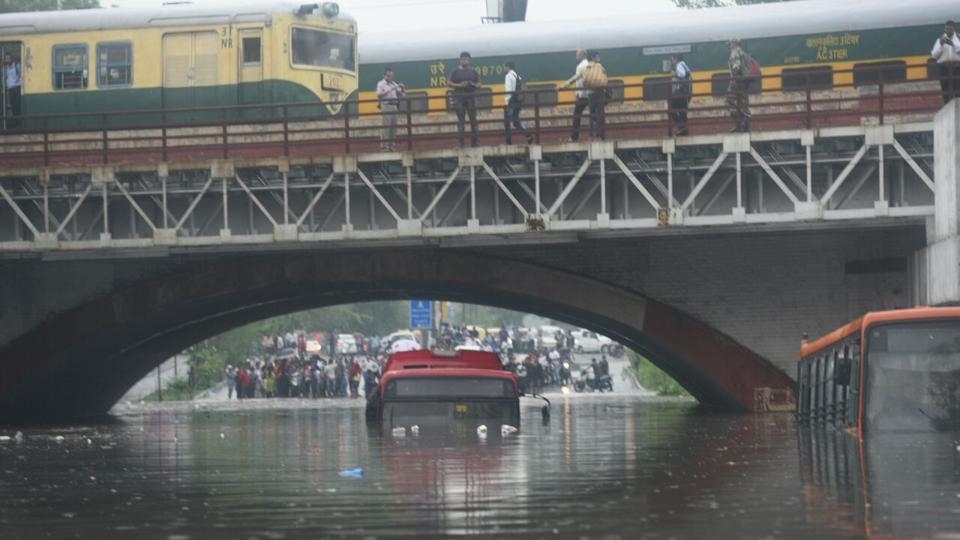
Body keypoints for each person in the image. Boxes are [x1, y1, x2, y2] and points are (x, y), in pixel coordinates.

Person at [447, 51, 482, 148]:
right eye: (463, 59)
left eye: (466, 59)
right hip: (459, 98)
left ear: (469, 60)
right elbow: (448, 83)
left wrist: (473, 84)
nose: (465, 61)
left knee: (473, 121)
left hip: (471, 98)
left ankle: (476, 142)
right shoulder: (455, 71)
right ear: (460, 60)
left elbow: (479, 84)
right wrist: (459, 85)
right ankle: (461, 143)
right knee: (461, 121)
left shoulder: (473, 71)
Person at [562, 49, 590, 142]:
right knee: (595, 115)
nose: (576, 56)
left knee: (576, 115)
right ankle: (596, 135)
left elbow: (576, 78)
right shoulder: (589, 64)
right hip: (591, 93)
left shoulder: (581, 66)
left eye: (577, 54)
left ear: (582, 55)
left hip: (583, 95)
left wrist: (564, 85)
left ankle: (574, 137)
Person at [503, 61, 534, 145]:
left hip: (511, 102)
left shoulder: (508, 76)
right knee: (516, 121)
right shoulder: (517, 76)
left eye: (504, 67)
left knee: (507, 122)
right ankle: (528, 135)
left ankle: (508, 142)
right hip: (518, 101)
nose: (504, 69)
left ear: (507, 67)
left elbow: (509, 91)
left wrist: (506, 103)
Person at [726, 38, 752, 132]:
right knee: (744, 104)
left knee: (729, 101)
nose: (730, 46)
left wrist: (735, 78)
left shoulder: (735, 52)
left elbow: (736, 66)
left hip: (736, 81)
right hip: (744, 81)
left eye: (731, 43)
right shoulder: (743, 53)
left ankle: (739, 123)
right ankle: (746, 126)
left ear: (735, 43)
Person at [376, 67, 405, 151]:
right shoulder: (381, 84)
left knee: (393, 126)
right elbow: (378, 95)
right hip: (386, 105)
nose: (390, 77)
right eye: (388, 76)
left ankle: (392, 146)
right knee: (386, 126)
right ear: (384, 75)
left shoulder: (394, 83)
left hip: (394, 105)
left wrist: (402, 88)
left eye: (391, 76)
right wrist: (390, 90)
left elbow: (402, 94)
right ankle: (384, 146)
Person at [932, 20, 960, 105]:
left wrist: (953, 45)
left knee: (958, 90)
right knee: (945, 90)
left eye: (950, 29)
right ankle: (946, 106)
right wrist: (941, 45)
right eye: (946, 29)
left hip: (957, 67)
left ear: (953, 29)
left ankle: (958, 107)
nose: (948, 31)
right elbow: (934, 56)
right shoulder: (939, 40)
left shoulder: (959, 38)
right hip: (944, 67)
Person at [670, 54, 692, 135]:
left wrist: (675, 74)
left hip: (681, 91)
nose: (672, 61)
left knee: (671, 108)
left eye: (672, 59)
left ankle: (681, 128)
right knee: (682, 111)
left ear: (676, 59)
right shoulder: (684, 65)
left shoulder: (679, 65)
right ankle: (685, 130)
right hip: (686, 92)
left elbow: (682, 74)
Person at [3, 53, 21, 129]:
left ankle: (19, 121)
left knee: (17, 105)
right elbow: (5, 77)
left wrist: (17, 81)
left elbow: (20, 74)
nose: (7, 60)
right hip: (10, 88)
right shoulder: (5, 68)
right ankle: (15, 120)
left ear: (11, 59)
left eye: (8, 58)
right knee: (13, 105)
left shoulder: (16, 65)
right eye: (6, 59)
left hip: (16, 87)